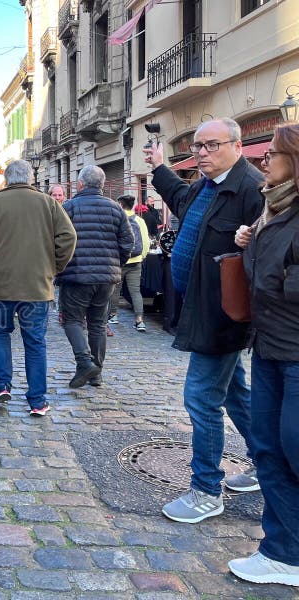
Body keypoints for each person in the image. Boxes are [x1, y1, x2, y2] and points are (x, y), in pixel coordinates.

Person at [144, 117, 264, 523]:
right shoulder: (205, 185)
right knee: (235, 394)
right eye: (198, 146)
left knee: (200, 398)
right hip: (202, 307)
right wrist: (160, 166)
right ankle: (267, 463)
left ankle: (206, 491)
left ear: (236, 144)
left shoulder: (251, 189)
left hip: (223, 315)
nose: (202, 152)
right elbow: (180, 199)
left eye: (212, 145)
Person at [228, 123, 299, 587]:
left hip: (294, 351)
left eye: (271, 154)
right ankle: (282, 552)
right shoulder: (273, 209)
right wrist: (249, 246)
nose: (263, 161)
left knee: (292, 448)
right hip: (270, 345)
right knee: (270, 449)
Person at [0, 160, 76, 416]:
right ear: (30, 178)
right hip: (36, 285)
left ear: (6, 179)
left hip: (0, 285)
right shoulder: (48, 203)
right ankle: (37, 400)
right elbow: (68, 237)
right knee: (35, 342)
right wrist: (54, 267)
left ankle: (1, 385)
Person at [56, 165, 133, 389]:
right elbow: (128, 243)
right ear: (101, 184)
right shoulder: (115, 209)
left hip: (76, 275)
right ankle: (96, 373)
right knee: (98, 323)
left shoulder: (69, 207)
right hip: (106, 279)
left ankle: (85, 363)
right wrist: (115, 264)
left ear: (80, 184)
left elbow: (57, 241)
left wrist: (60, 266)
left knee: (72, 320)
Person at [108, 194, 150, 331]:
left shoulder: (116, 219)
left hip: (119, 261)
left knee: (115, 289)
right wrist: (141, 256)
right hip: (136, 262)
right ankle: (139, 320)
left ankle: (113, 315)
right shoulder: (139, 220)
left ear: (120, 204)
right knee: (135, 291)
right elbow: (146, 242)